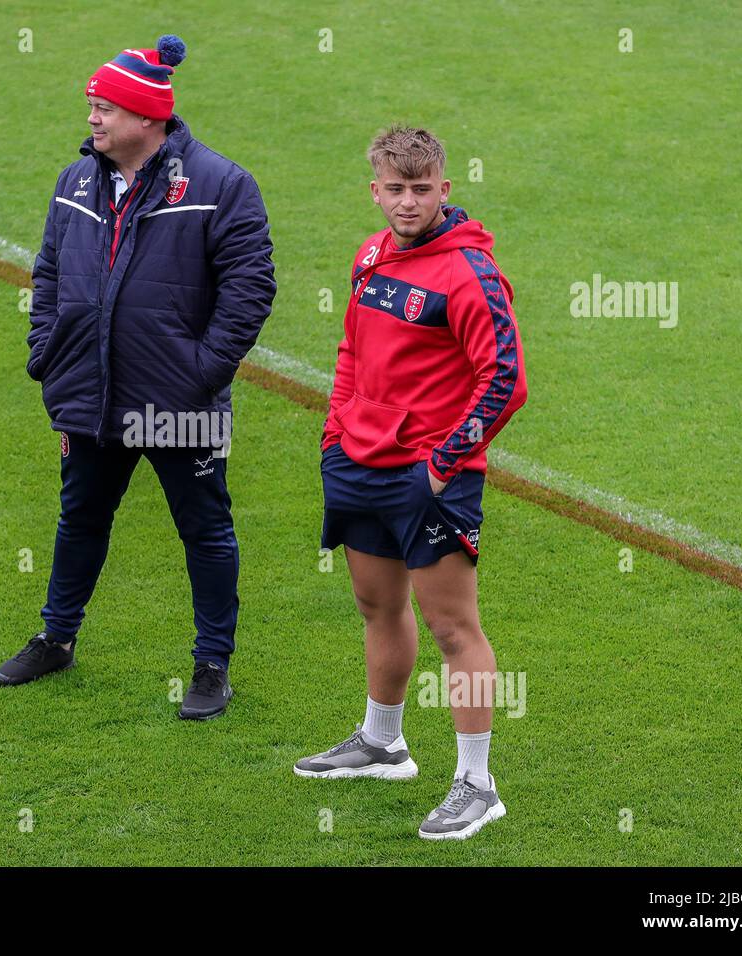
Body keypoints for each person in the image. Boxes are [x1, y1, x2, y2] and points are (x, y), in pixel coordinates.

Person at [0, 35, 276, 720]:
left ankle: (212, 666)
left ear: (148, 117)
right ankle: (57, 638)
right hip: (89, 394)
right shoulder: (76, 180)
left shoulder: (220, 185)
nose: (93, 119)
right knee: (80, 518)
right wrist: (46, 350)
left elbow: (251, 287)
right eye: (93, 106)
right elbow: (51, 270)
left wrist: (202, 374)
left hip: (180, 403)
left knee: (205, 530)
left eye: (106, 108)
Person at [295, 126, 527, 839]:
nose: (407, 202)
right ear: (375, 189)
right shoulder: (369, 254)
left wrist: (440, 463)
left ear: (444, 190)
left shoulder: (470, 273)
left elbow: (505, 382)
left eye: (421, 189)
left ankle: (477, 784)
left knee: (455, 628)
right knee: (375, 605)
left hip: (432, 478)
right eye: (395, 189)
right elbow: (350, 350)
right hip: (358, 463)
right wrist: (336, 432)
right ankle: (382, 742)